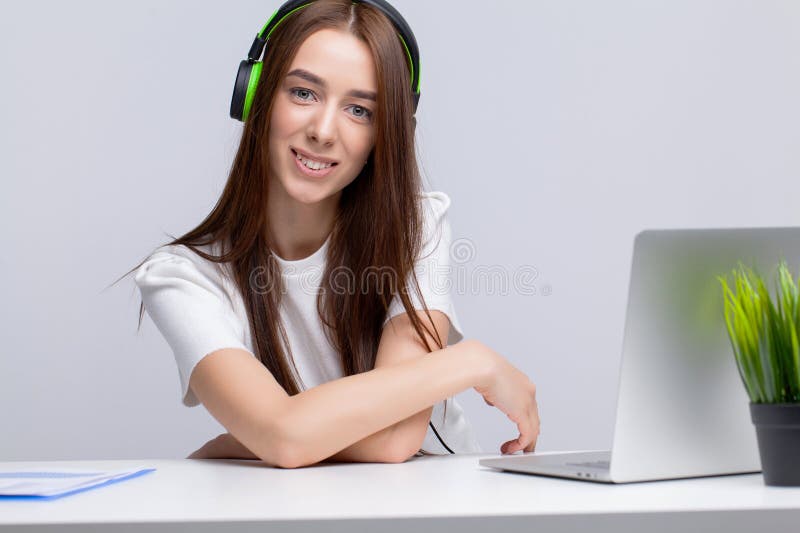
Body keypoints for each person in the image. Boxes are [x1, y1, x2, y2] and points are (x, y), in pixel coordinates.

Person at [127, 0, 540, 468]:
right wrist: (470, 363)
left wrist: (245, 441)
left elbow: (393, 440)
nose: (324, 131)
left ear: (387, 133)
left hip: (431, 505)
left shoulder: (416, 228)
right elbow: (287, 437)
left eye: (359, 110)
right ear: (255, 95)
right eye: (304, 93)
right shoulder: (181, 277)